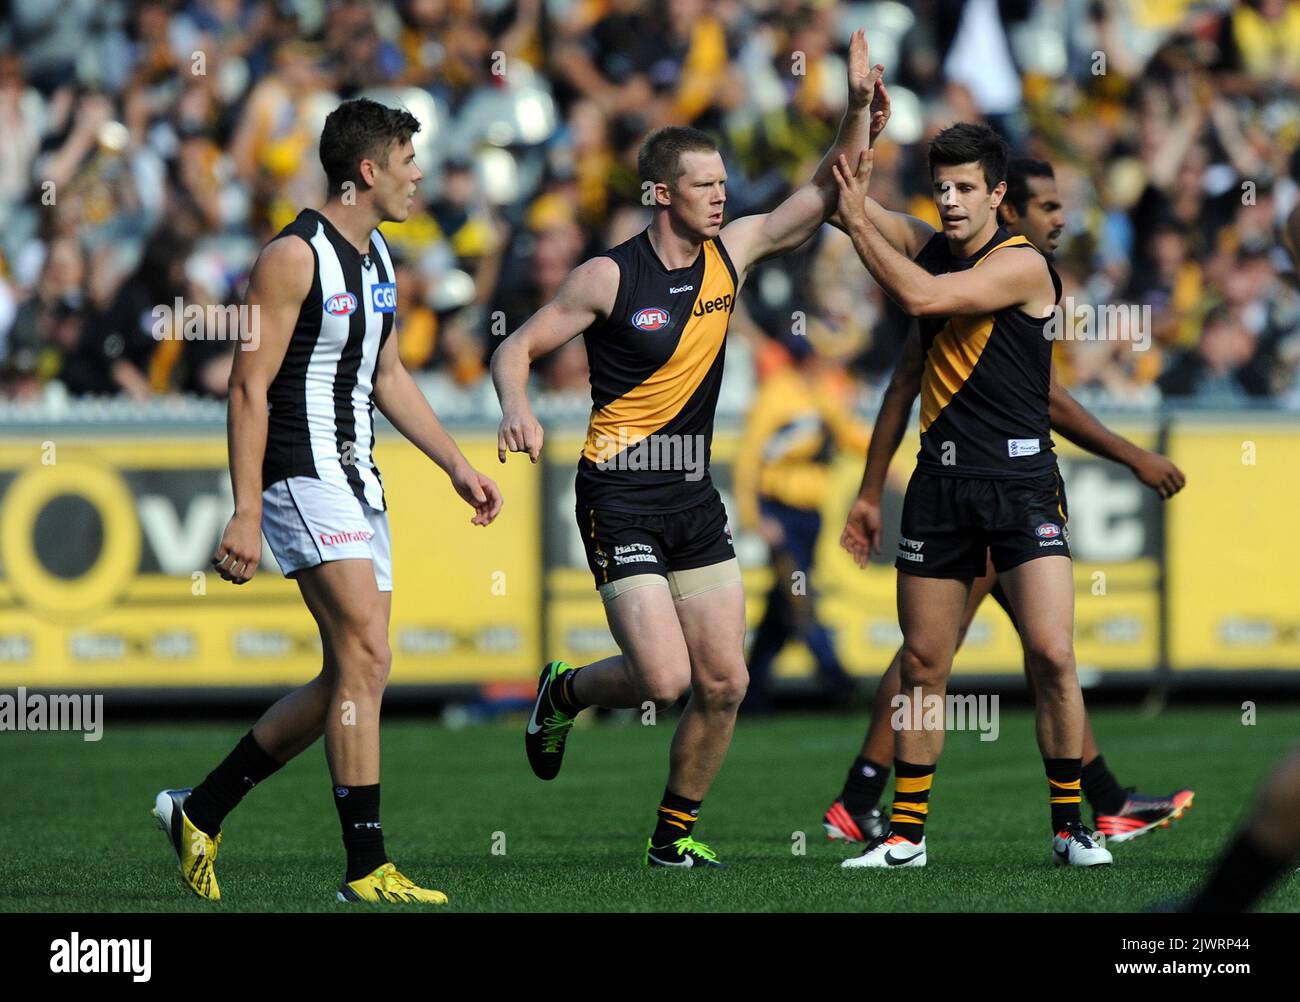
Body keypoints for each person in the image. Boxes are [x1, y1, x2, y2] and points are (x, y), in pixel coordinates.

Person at [491, 32, 884, 869]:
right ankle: (564, 690)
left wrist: (855, 113)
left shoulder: (730, 253)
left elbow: (819, 195)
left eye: (723, 183)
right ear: (661, 192)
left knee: (726, 683)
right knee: (663, 681)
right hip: (618, 494)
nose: (721, 196)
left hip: (691, 498)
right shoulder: (606, 276)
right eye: (705, 185)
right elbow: (513, 347)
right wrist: (516, 407)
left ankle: (671, 838)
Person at [153, 98, 502, 904]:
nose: (420, 175)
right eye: (409, 161)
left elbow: (387, 376)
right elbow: (248, 385)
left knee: (355, 671)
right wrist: (244, 509)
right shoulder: (292, 256)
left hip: (357, 476)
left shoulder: (378, 256)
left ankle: (199, 810)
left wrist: (454, 463)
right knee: (367, 660)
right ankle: (365, 868)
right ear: (368, 171)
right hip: (298, 471)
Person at [823, 157, 1192, 849]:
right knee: (934, 656)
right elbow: (909, 369)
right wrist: (870, 490)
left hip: (1008, 488)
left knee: (1030, 653)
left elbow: (1021, 390)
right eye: (1047, 206)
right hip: (960, 486)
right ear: (1010, 209)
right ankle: (867, 795)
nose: (1061, 218)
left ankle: (1095, 803)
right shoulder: (956, 271)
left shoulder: (1004, 275)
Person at [734, 333, 866, 711]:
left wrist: (887, 458)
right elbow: (749, 457)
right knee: (800, 596)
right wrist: (754, 515)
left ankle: (752, 692)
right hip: (780, 512)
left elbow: (848, 434)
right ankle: (838, 679)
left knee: (784, 604)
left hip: (811, 515)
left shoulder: (822, 392)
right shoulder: (776, 393)